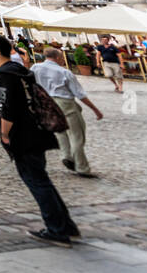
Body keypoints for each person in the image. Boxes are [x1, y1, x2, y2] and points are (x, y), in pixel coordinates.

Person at [0, 34, 78, 246]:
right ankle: (67, 226)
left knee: (37, 183)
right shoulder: (22, 70)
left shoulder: (4, 74)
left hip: (23, 136)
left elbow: (10, 110)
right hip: (37, 131)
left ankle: (57, 231)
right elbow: (22, 100)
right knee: (42, 180)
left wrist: (5, 135)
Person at [32, 47, 102, 177]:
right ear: (58, 58)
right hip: (65, 103)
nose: (63, 60)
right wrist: (95, 110)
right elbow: (80, 94)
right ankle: (82, 167)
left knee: (60, 131)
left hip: (46, 103)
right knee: (77, 135)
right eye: (62, 58)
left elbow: (31, 84)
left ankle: (66, 155)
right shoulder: (64, 72)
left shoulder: (35, 68)